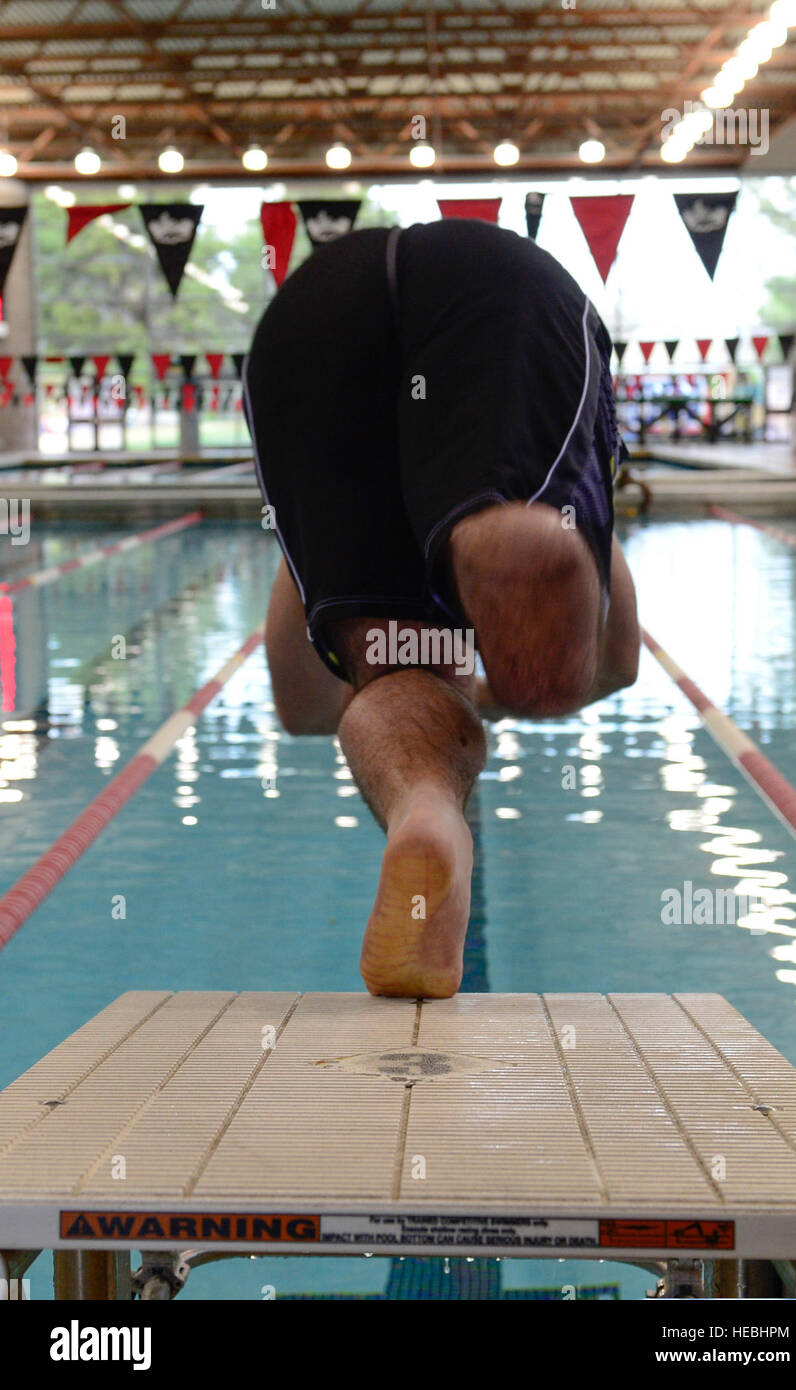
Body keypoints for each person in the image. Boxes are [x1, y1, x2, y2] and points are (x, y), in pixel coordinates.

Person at [243, 218, 640, 999]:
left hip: (309, 316)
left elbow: (297, 705)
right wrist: (510, 693)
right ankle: (499, 523)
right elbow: (620, 661)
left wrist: (430, 680)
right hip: (498, 288)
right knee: (549, 679)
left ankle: (424, 808)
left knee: (396, 671)